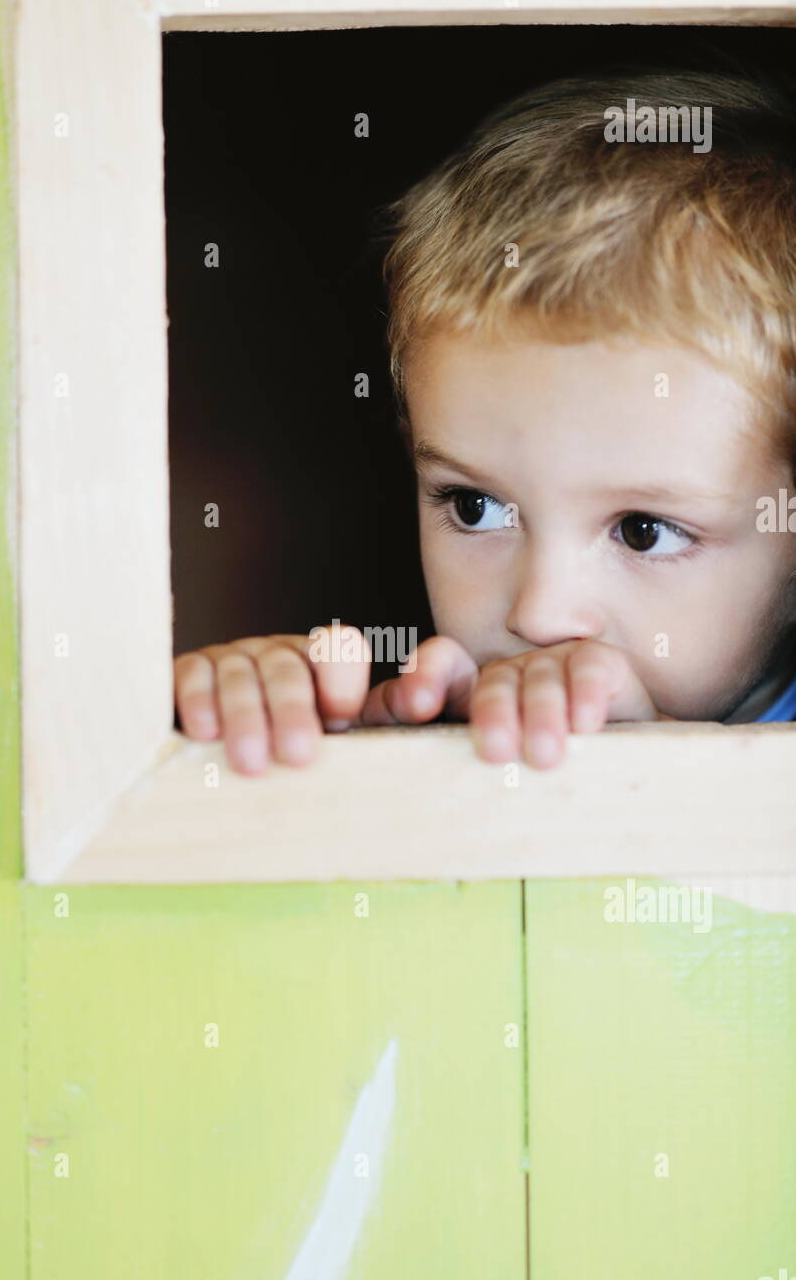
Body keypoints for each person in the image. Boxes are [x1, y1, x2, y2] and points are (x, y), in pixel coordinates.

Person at [174, 62, 796, 774]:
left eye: (642, 531)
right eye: (475, 507)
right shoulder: (424, 699)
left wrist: (646, 776)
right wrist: (279, 726)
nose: (539, 613)